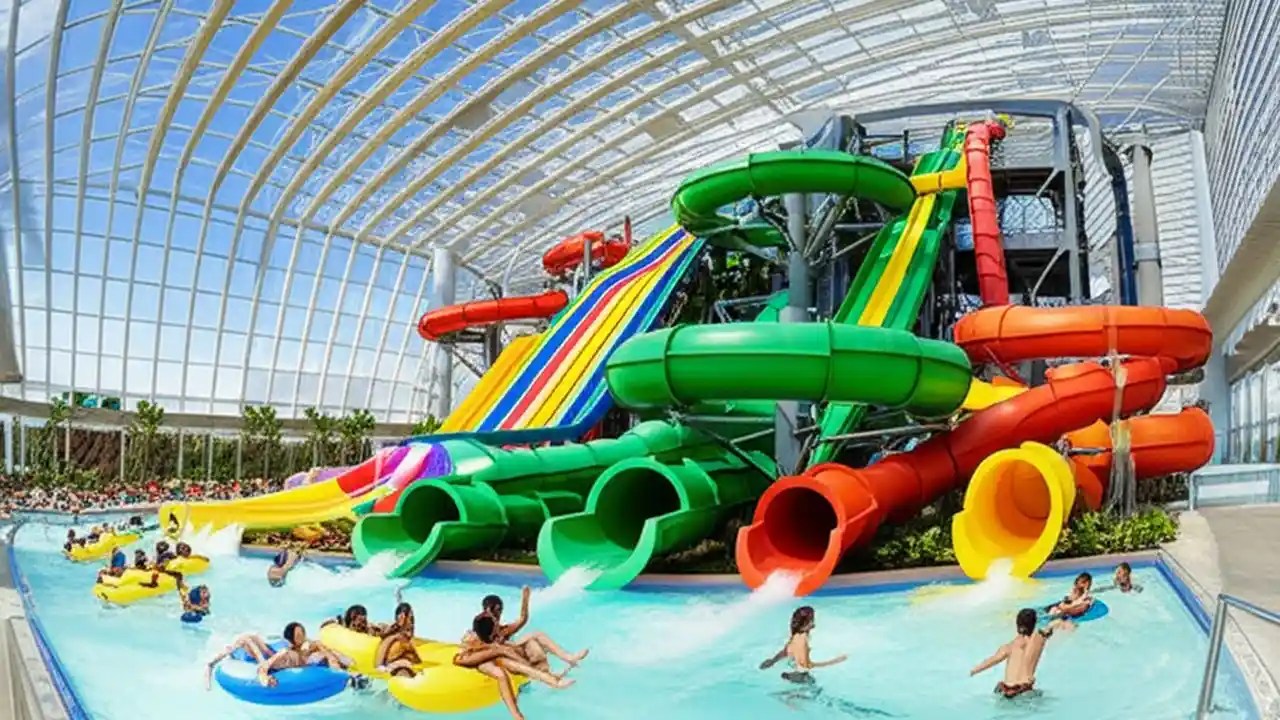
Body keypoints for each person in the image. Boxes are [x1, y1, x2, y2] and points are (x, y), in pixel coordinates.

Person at [455, 614, 574, 720]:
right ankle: (518, 715)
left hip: (484, 653)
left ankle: (552, 679)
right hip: (472, 658)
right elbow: (503, 652)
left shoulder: (486, 637)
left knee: (509, 662)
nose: (498, 625)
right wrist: (529, 667)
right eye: (495, 625)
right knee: (502, 672)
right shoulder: (475, 642)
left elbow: (503, 647)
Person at [470, 588, 587, 674]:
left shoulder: (503, 630)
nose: (498, 615)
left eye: (499, 610)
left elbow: (522, 619)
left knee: (534, 642)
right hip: (506, 662)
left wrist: (525, 599)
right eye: (496, 611)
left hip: (517, 659)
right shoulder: (479, 629)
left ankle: (567, 660)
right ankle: (552, 673)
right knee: (535, 637)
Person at [971, 608, 1073, 698]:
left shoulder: (1008, 647)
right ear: (1034, 624)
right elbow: (1055, 624)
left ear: (1017, 625)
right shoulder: (1039, 637)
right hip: (1024, 690)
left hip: (1004, 690)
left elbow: (992, 660)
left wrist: (974, 671)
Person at [759, 606, 847, 684]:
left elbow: (786, 651)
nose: (814, 621)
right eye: (812, 618)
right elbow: (806, 665)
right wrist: (835, 661)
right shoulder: (801, 639)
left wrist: (773, 660)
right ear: (807, 622)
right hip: (800, 676)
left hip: (795, 673)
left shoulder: (796, 635)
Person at [255, 623, 353, 688]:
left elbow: (346, 660)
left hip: (307, 661)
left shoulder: (308, 646)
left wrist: (324, 650)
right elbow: (262, 668)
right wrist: (266, 680)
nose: (303, 638)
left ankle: (352, 679)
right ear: (292, 640)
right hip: (279, 662)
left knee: (327, 653)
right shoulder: (286, 654)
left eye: (303, 634)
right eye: (299, 636)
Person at [205, 633, 276, 690]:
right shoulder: (232, 650)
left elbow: (263, 654)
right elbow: (209, 665)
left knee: (265, 651)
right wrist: (208, 684)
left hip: (252, 641)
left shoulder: (255, 643)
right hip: (243, 645)